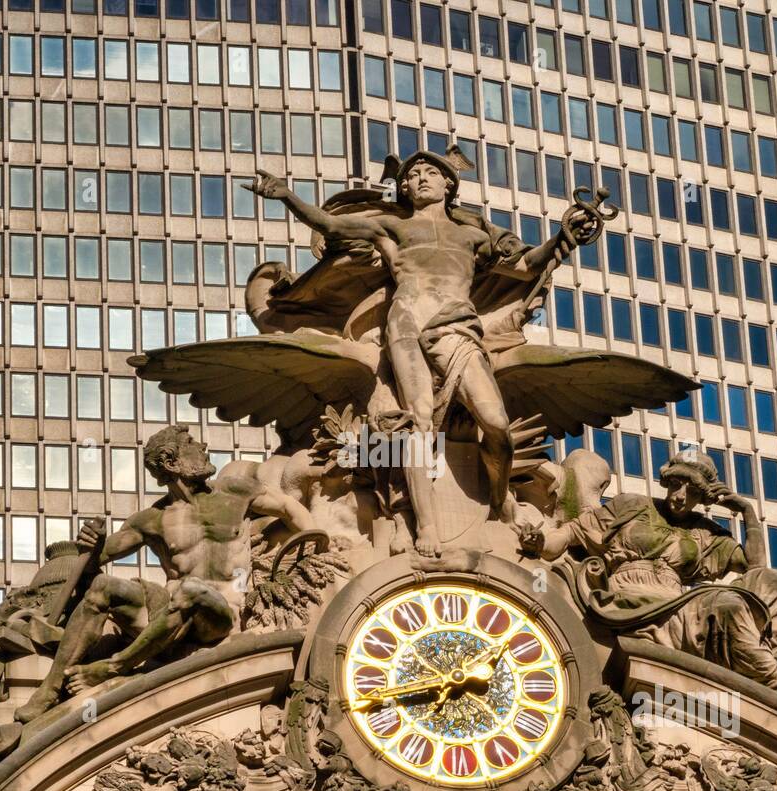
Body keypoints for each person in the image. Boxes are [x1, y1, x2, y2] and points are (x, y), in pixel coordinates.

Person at [246, 152, 600, 555]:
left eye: (431, 172)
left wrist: (563, 236)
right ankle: (425, 526)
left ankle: (500, 496)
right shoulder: (392, 227)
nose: (421, 179)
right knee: (417, 426)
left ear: (449, 184)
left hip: (457, 328)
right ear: (404, 187)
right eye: (412, 175)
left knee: (496, 422)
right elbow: (331, 224)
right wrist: (288, 196)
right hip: (407, 324)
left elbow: (526, 266)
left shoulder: (474, 237)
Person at [14, 426, 314, 722]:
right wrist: (93, 546)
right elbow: (94, 566)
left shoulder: (234, 491)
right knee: (104, 587)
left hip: (219, 616)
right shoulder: (152, 519)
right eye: (191, 444)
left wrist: (320, 540)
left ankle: (112, 668)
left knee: (192, 590)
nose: (203, 446)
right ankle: (49, 690)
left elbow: (290, 509)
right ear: (172, 463)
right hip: (165, 614)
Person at [520, 451, 777, 709]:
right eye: (677, 486)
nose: (681, 496)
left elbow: (754, 567)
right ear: (668, 482)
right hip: (629, 599)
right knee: (731, 608)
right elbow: (569, 534)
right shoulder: (632, 506)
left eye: (691, 492)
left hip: (679, 602)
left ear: (702, 497)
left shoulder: (705, 533)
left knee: (748, 593)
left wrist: (746, 512)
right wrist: (540, 542)